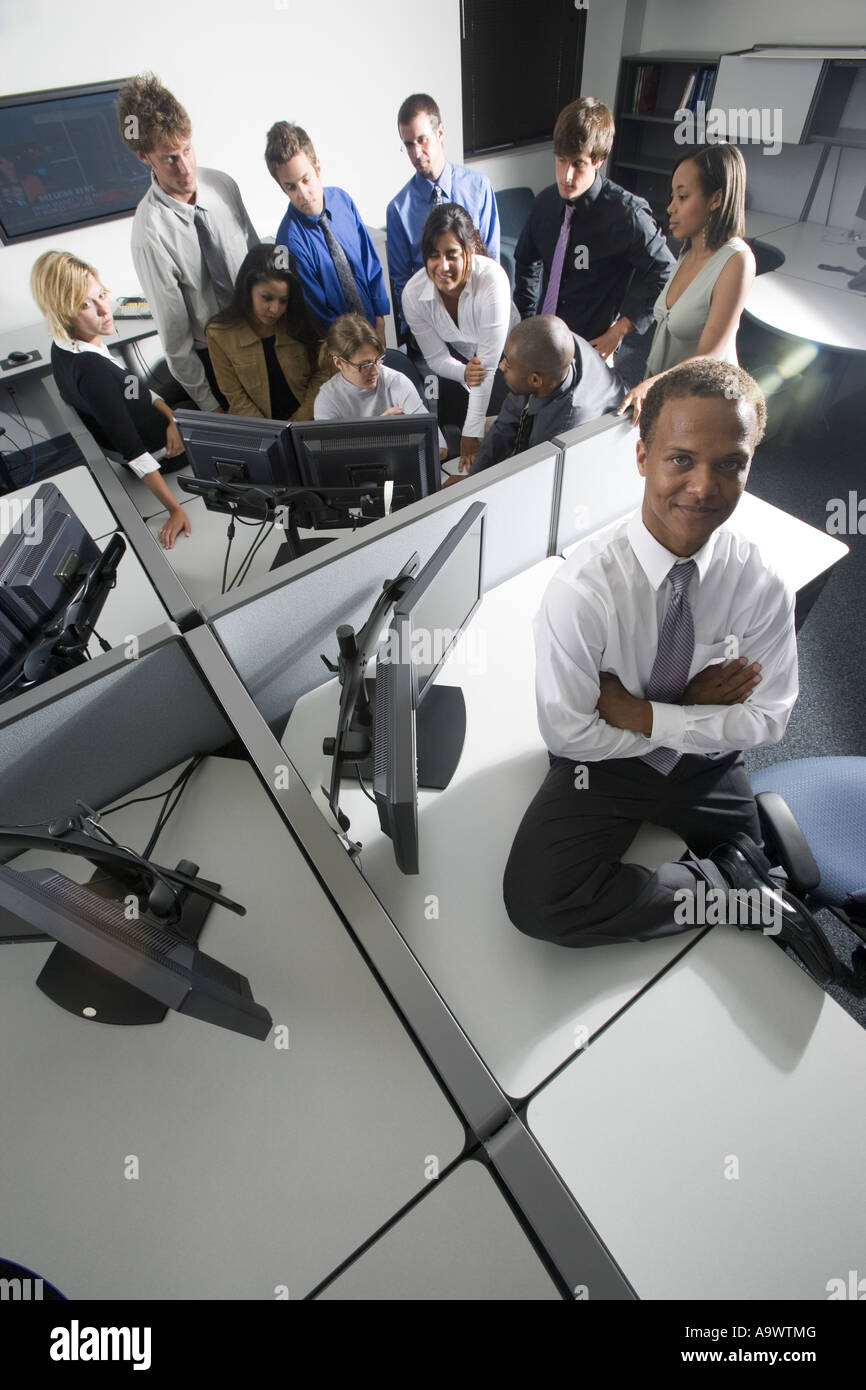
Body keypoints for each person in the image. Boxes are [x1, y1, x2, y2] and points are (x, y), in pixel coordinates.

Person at [502, 359, 837, 985]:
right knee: (540, 903)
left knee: (768, 902)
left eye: (730, 464)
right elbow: (571, 737)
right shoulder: (583, 591)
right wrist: (693, 704)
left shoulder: (759, 581)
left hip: (701, 764)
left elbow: (768, 720)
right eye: (680, 459)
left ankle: (734, 881)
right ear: (642, 458)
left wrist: (647, 710)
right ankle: (719, 885)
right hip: (606, 766)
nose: (704, 487)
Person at [118, 73, 259, 414]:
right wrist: (211, 407)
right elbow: (176, 341)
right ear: (143, 156)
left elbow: (260, 261)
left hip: (266, 332)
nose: (185, 167)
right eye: (169, 158)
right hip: (218, 358)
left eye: (187, 149)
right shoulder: (150, 233)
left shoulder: (222, 185)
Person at [31, 249, 191, 549]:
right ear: (64, 312)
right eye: (85, 305)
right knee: (202, 399)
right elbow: (134, 453)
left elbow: (133, 386)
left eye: (102, 295)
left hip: (150, 420)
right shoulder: (93, 373)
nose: (105, 310)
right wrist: (175, 509)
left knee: (175, 383)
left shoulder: (64, 346)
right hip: (162, 453)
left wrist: (170, 417)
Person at [514, 97, 673, 364]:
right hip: (544, 339)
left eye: (578, 164)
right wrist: (529, 319)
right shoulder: (544, 203)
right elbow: (526, 261)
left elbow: (667, 272)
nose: (566, 176)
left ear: (598, 160)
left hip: (592, 347)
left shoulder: (627, 214)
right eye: (561, 160)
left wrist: (622, 328)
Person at [618, 145, 756, 426]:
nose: (671, 207)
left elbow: (710, 357)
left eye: (682, 196)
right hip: (667, 391)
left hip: (706, 404)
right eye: (673, 197)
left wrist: (651, 386)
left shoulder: (737, 261)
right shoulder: (687, 251)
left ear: (716, 198)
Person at [401, 203, 518, 473]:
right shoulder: (412, 294)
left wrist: (472, 431)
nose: (443, 266)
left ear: (469, 251)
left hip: (505, 356)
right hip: (460, 360)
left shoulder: (492, 279)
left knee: (500, 435)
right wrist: (464, 372)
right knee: (454, 437)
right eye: (434, 255)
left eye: (452, 254)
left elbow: (487, 368)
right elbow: (436, 357)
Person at [266, 122, 389, 341]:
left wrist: (379, 321)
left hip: (374, 328)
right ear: (281, 187)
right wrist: (356, 348)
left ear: (318, 169)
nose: (303, 193)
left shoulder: (343, 201)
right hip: (338, 345)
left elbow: (370, 262)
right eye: (291, 187)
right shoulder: (287, 242)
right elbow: (316, 310)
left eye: (306, 179)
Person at [386, 94, 500, 327]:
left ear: (439, 133)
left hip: (478, 316)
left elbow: (492, 262)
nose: (416, 153)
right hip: (430, 322)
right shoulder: (398, 209)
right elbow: (402, 284)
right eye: (408, 144)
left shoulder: (479, 188)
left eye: (422, 140)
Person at [465, 315, 625, 477]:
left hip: (590, 458)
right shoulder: (551, 347)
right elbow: (508, 419)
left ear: (535, 379)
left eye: (508, 363)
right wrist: (472, 478)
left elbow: (533, 475)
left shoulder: (561, 428)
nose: (501, 366)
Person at [206, 245, 332, 420]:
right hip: (259, 429)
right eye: (267, 298)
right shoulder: (219, 333)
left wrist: (300, 418)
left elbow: (323, 372)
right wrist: (273, 432)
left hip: (309, 419)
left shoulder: (297, 320)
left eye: (283, 301)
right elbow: (234, 395)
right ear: (247, 289)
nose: (275, 309)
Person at [314, 314, 447, 458]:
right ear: (339, 363)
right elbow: (330, 461)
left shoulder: (396, 382)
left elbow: (439, 447)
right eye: (365, 365)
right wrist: (377, 432)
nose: (376, 371)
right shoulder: (327, 400)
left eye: (378, 360)